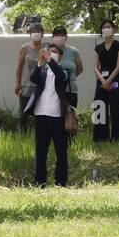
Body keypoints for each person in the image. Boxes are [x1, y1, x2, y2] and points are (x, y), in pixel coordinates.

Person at [25, 40, 70, 187]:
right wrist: (39, 63)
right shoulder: (42, 71)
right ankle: (40, 181)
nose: (50, 54)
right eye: (49, 52)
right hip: (41, 114)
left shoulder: (64, 70)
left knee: (61, 151)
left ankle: (61, 181)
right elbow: (32, 78)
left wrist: (50, 60)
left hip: (58, 116)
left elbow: (61, 77)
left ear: (60, 56)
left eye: (54, 52)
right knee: (40, 151)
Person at [93, 19, 119, 142]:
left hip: (116, 80)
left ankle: (118, 138)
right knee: (99, 107)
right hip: (101, 81)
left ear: (114, 29)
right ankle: (100, 138)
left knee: (116, 108)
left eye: (108, 27)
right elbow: (95, 67)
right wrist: (103, 81)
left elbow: (118, 66)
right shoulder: (98, 48)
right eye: (104, 27)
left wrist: (109, 81)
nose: (106, 29)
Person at [14, 17, 44, 128]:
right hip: (26, 85)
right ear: (30, 34)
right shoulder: (24, 48)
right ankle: (21, 135)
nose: (36, 33)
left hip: (41, 85)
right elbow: (19, 66)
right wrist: (17, 83)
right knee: (24, 113)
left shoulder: (46, 48)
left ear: (42, 34)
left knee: (39, 113)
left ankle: (39, 135)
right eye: (33, 32)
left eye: (38, 31)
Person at [51, 27, 83, 108]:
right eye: (56, 35)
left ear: (66, 37)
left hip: (70, 89)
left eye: (61, 35)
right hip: (53, 91)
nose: (59, 37)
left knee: (70, 117)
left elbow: (80, 68)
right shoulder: (49, 51)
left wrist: (69, 77)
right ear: (53, 37)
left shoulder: (73, 51)